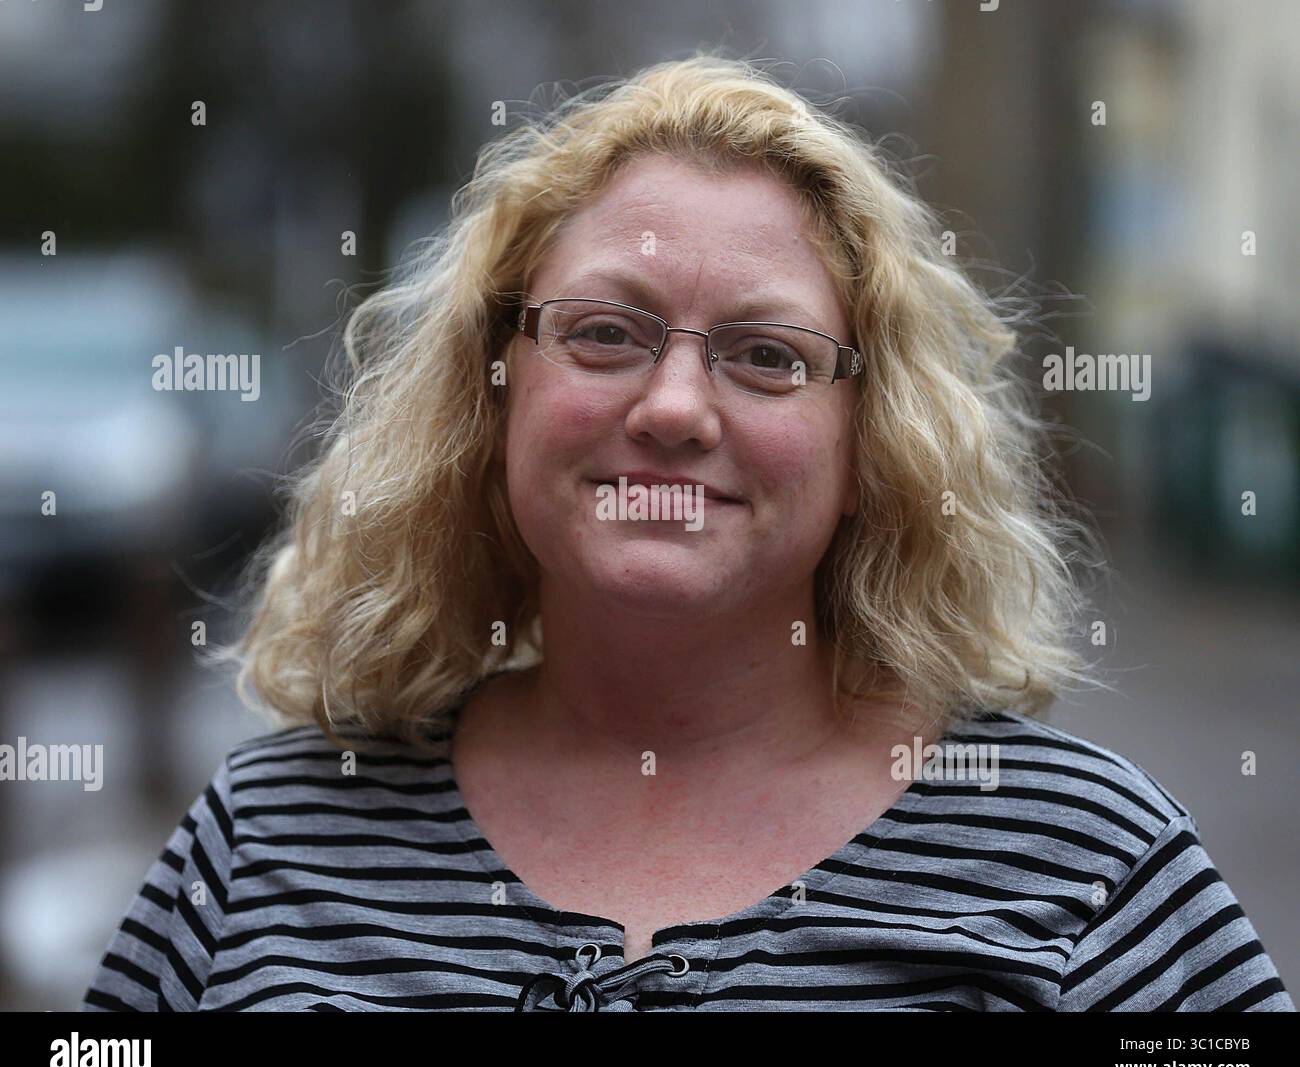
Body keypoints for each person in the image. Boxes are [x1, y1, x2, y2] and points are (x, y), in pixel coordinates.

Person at [82, 53, 1293, 1012]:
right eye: (606, 331)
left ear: (872, 447)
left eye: (766, 357)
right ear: (492, 388)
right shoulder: (269, 835)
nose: (669, 409)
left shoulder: (1085, 864)